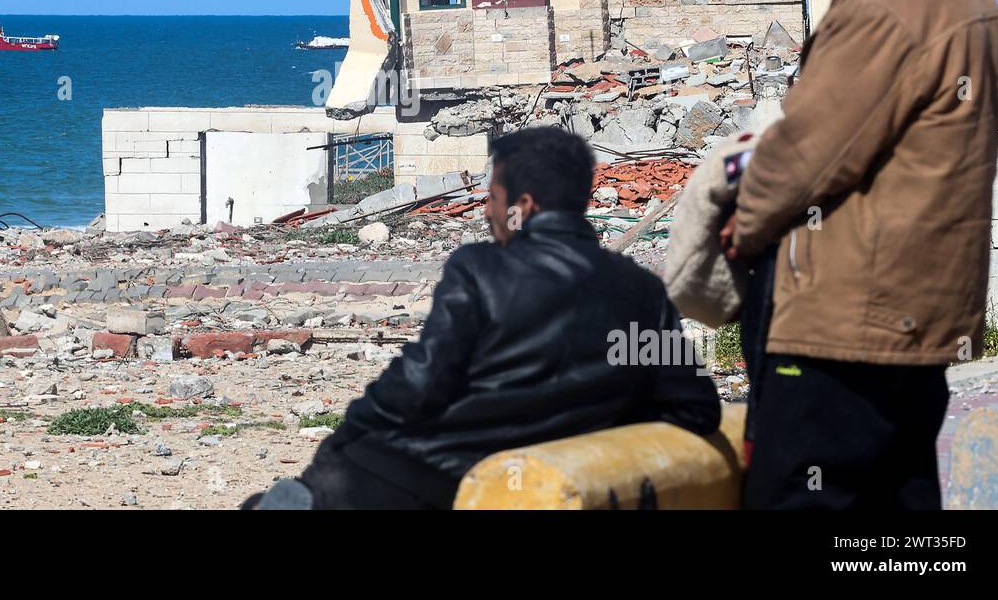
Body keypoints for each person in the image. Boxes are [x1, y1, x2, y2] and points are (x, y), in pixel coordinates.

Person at [721, 0, 998, 509]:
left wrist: (741, 224)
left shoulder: (889, 0)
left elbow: (807, 157)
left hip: (841, 335)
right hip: (919, 331)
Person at [244, 127, 721, 509]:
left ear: (524, 207)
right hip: (555, 468)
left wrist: (351, 430)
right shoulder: (644, 290)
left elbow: (415, 387)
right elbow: (697, 407)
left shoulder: (480, 269)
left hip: (441, 471)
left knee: (318, 477)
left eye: (493, 197)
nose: (487, 210)